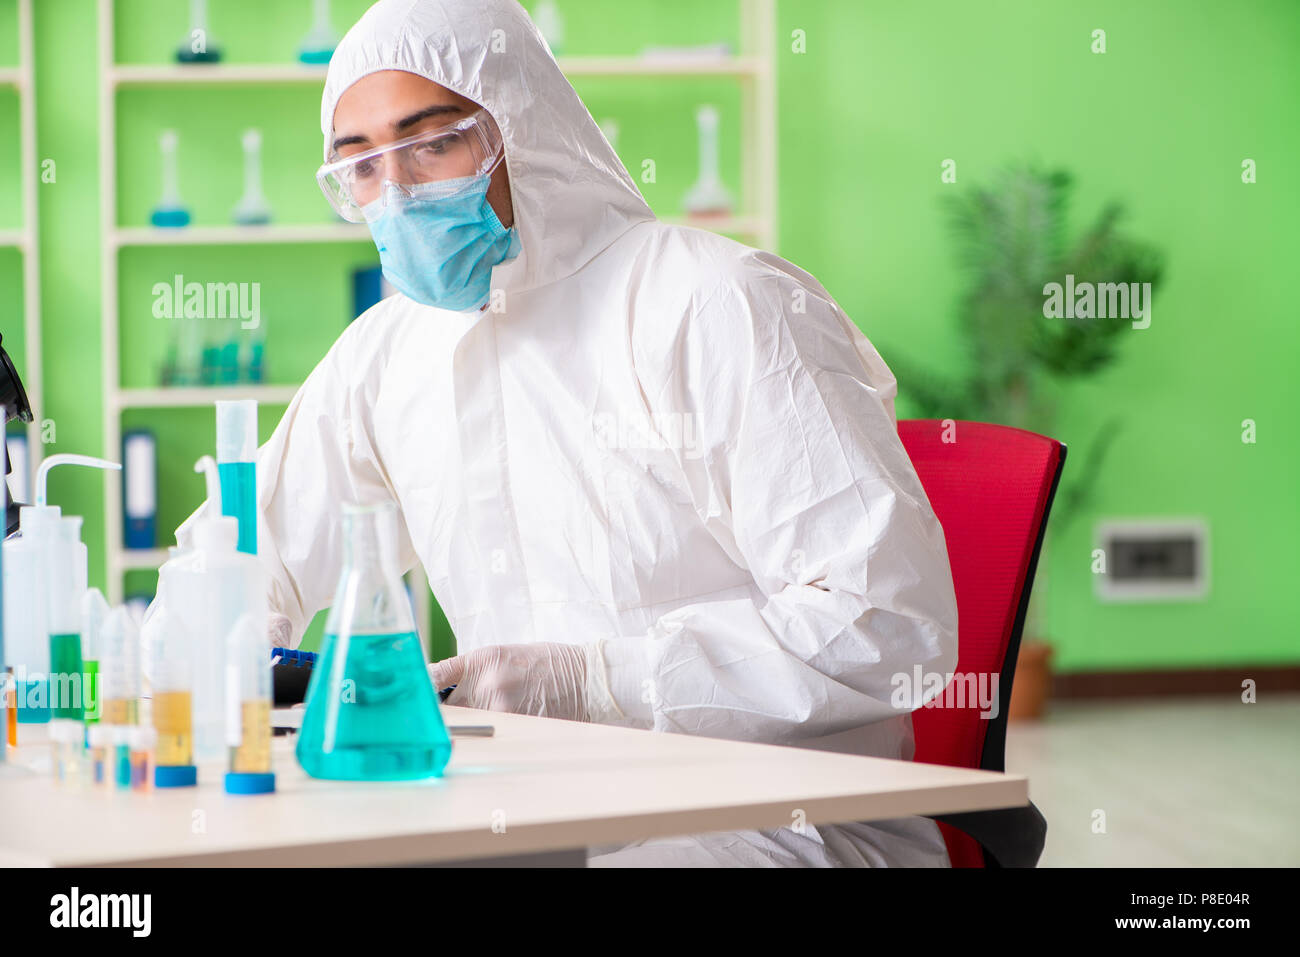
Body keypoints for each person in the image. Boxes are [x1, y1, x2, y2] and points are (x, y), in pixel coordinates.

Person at [161, 0, 960, 867]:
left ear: (520, 126)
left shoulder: (715, 303)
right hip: (526, 806)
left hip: (770, 816)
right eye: (359, 167)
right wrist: (200, 649)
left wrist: (598, 682)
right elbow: (239, 555)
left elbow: (889, 620)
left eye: (433, 144)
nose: (395, 197)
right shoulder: (390, 353)